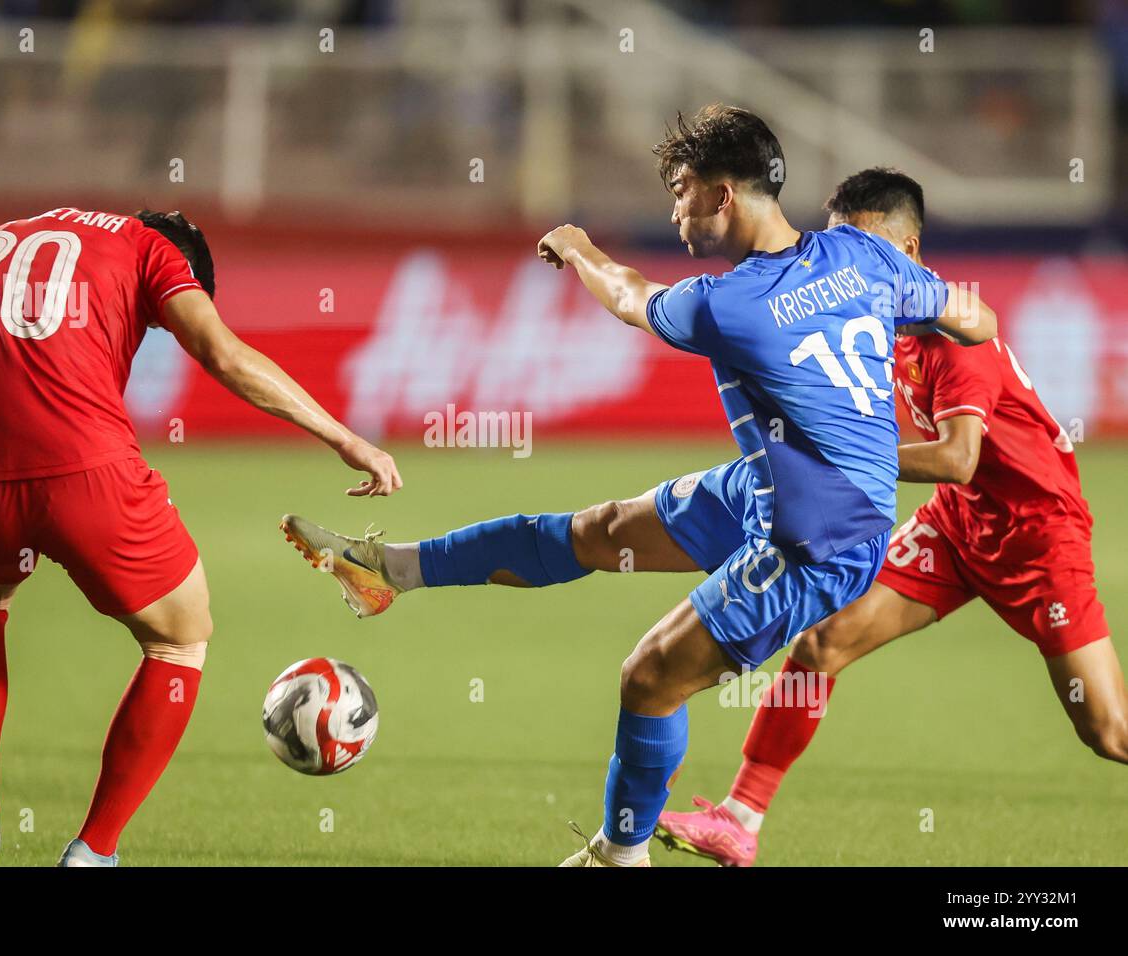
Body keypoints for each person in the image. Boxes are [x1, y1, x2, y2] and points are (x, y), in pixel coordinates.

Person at [277, 107, 996, 866]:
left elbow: (625, 295)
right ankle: (387, 572)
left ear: (725, 196)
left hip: (815, 540)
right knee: (603, 531)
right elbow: (973, 318)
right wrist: (875, 349)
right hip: (766, 490)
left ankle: (619, 856)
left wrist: (576, 243)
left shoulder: (727, 305)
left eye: (681, 191)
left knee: (649, 678)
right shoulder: (861, 255)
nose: (674, 209)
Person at [0, 207, 401, 867]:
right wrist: (346, 438)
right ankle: (93, 851)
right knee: (180, 639)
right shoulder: (148, 249)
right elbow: (222, 352)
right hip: (87, 475)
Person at [653, 168, 1126, 867]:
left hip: (1036, 535)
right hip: (959, 525)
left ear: (909, 248)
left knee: (1108, 730)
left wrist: (837, 451)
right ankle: (739, 819)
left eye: (866, 247)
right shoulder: (880, 323)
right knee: (821, 643)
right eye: (839, 245)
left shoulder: (952, 335)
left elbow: (961, 457)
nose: (849, 264)